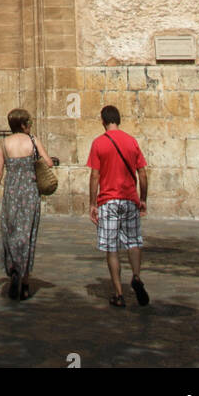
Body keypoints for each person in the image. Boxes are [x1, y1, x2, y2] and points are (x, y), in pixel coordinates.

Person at [87, 105, 150, 308]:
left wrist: (92, 203)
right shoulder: (131, 142)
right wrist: (143, 198)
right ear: (119, 120)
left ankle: (119, 294)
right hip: (130, 198)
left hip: (108, 200)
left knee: (112, 248)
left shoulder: (98, 143)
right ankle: (137, 277)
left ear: (103, 120)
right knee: (133, 241)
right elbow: (142, 173)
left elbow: (95, 175)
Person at [0, 108, 54, 300]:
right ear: (24, 125)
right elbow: (49, 163)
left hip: (11, 193)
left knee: (10, 232)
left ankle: (13, 270)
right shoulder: (33, 141)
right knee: (28, 235)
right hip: (30, 194)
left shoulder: (4, 144)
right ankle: (25, 284)